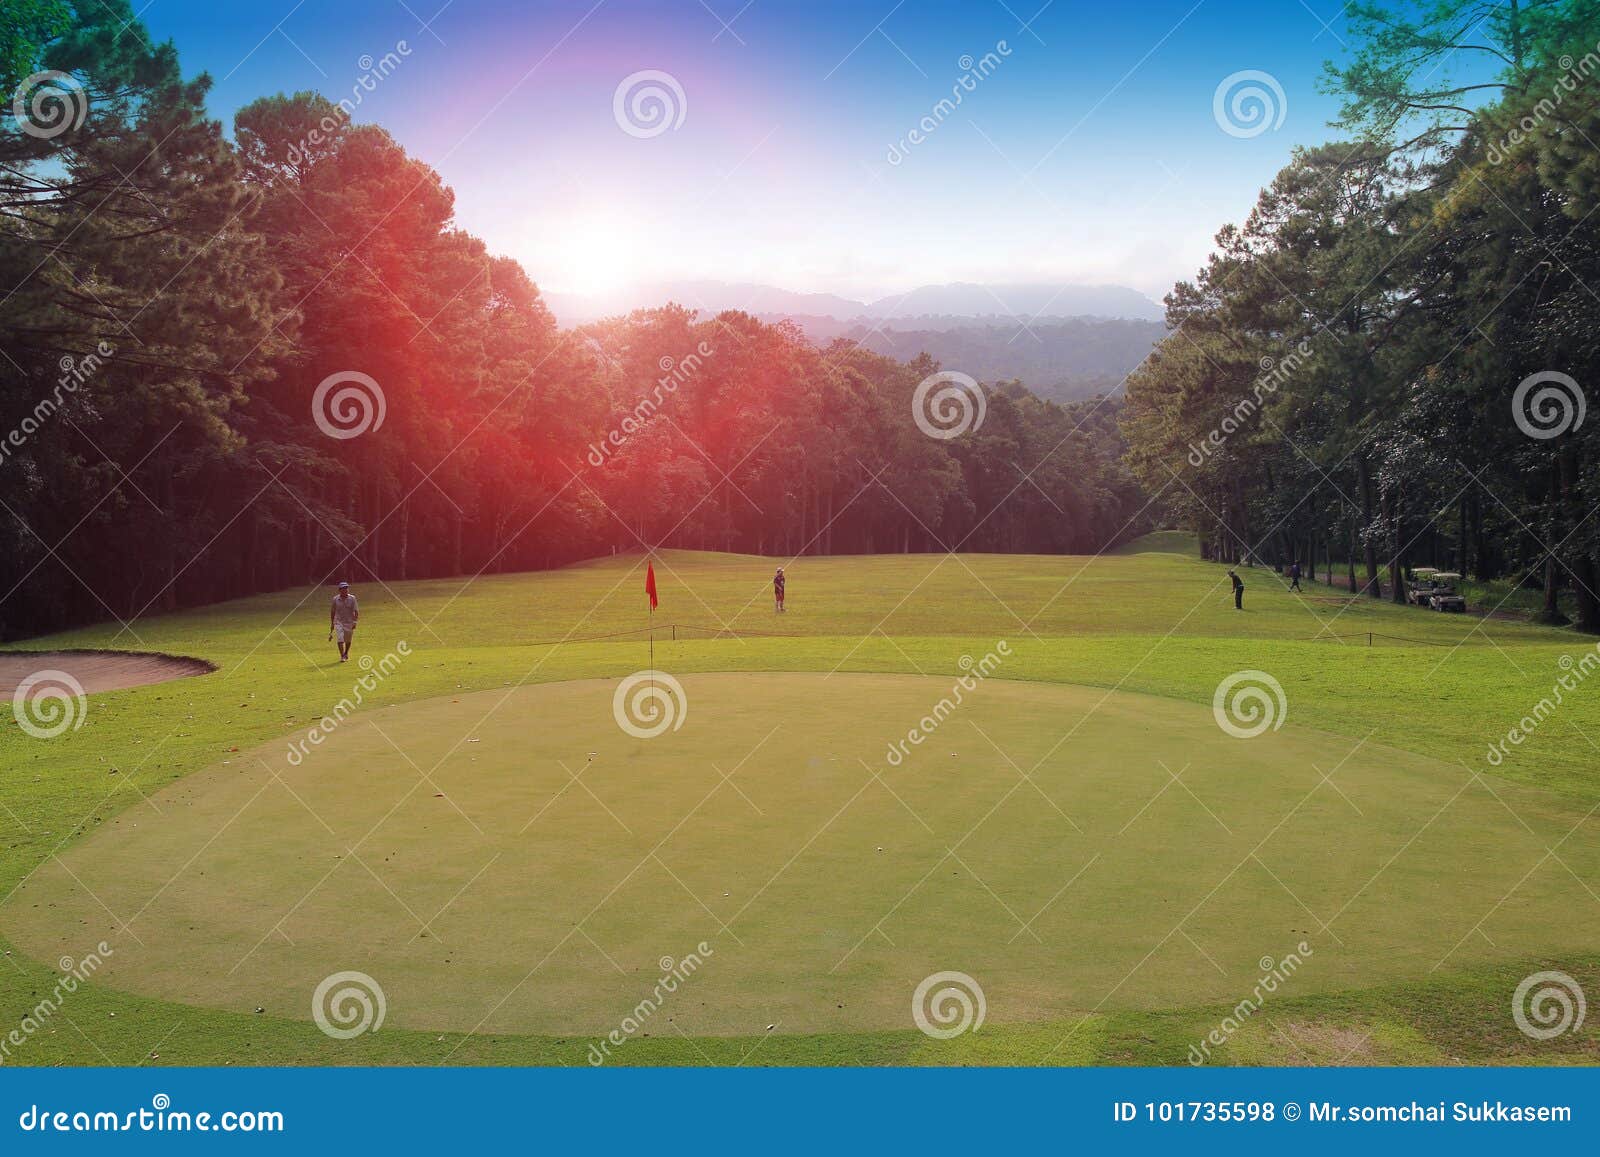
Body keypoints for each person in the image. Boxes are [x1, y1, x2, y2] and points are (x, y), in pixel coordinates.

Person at [329, 580, 359, 662]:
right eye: (343, 588)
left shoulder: (352, 598)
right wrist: (332, 623)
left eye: (346, 588)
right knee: (340, 639)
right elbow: (333, 611)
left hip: (349, 622)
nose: (345, 590)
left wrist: (355, 622)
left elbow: (356, 611)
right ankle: (342, 656)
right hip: (338, 622)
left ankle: (346, 653)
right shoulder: (335, 599)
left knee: (348, 640)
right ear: (339, 590)